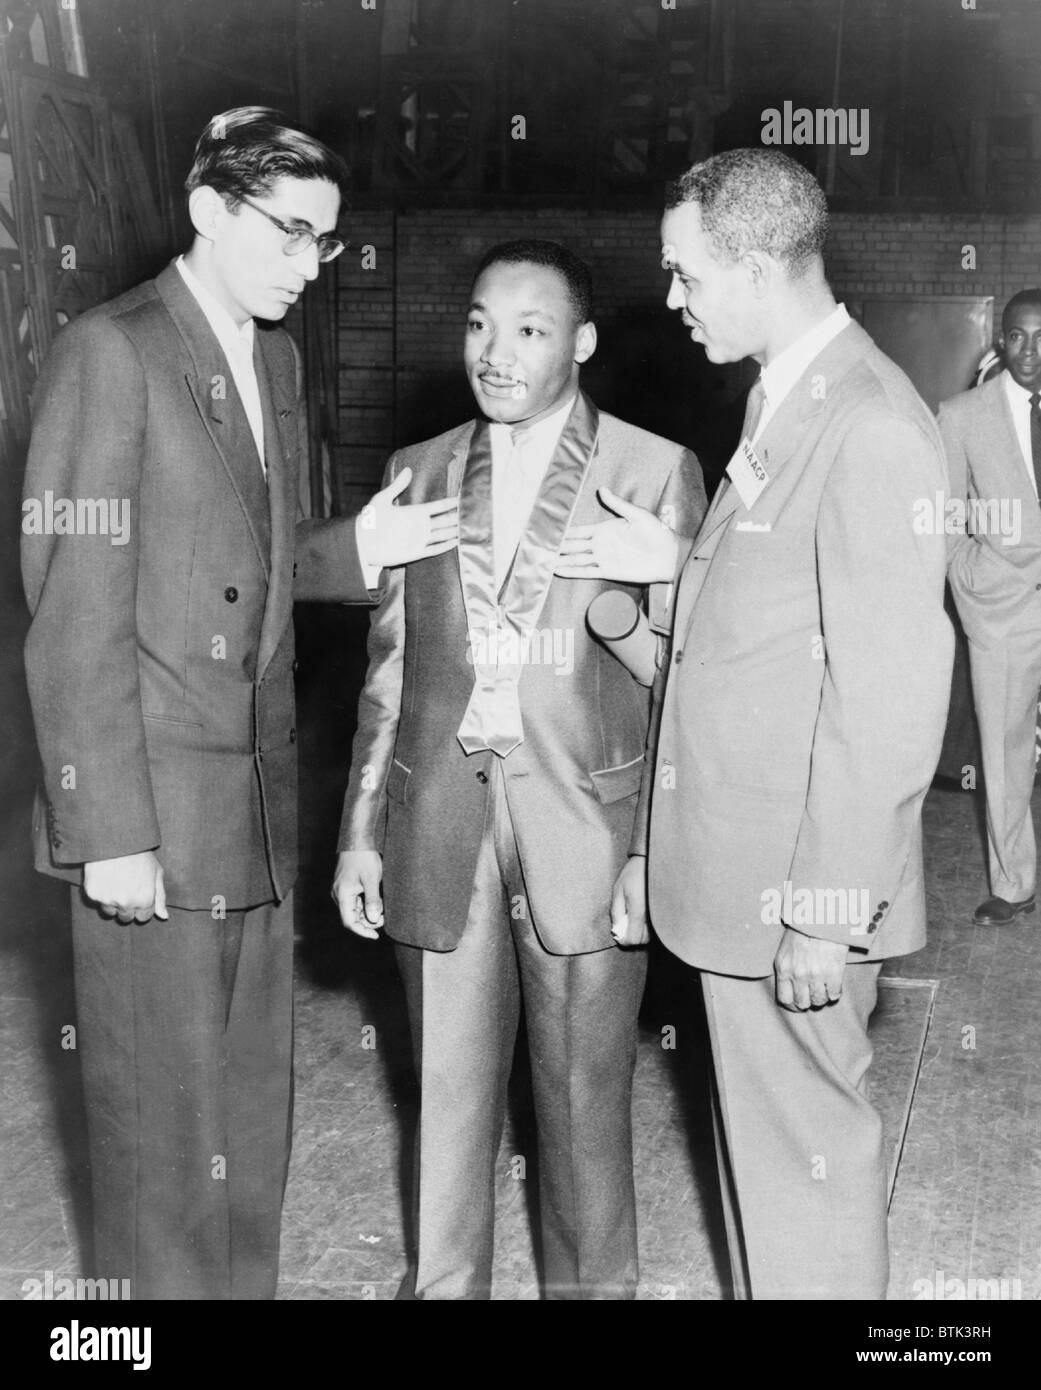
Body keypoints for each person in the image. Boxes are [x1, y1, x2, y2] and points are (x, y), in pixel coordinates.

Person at [20, 106, 457, 1300]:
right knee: (163, 1145)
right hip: (152, 814)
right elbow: (73, 614)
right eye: (291, 234)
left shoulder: (270, 356)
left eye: (325, 242)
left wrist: (355, 546)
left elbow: (244, 567)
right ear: (209, 210)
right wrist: (106, 830)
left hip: (254, 812)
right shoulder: (110, 352)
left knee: (247, 1132)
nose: (311, 266)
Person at [558, 149, 953, 1299]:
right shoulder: (788, 395)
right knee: (771, 1202)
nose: (672, 301)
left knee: (809, 1201)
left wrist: (829, 909)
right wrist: (674, 567)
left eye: (686, 276)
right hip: (743, 879)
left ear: (760, 265)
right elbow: (781, 630)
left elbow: (886, 693)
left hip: (797, 891)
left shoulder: (871, 424)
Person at [334, 239, 706, 1300]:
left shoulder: (651, 470)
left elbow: (693, 682)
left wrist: (651, 852)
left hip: (586, 833)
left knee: (585, 1110)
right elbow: (391, 669)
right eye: (480, 324)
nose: (496, 354)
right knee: (444, 1106)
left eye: (531, 330)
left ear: (582, 342)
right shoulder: (421, 466)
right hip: (441, 822)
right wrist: (361, 830)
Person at [943, 290, 1041, 926]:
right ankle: (1013, 884)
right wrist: (970, 579)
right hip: (1004, 607)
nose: (1029, 351)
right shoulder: (961, 414)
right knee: (1004, 751)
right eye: (1017, 336)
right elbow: (947, 517)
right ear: (998, 341)